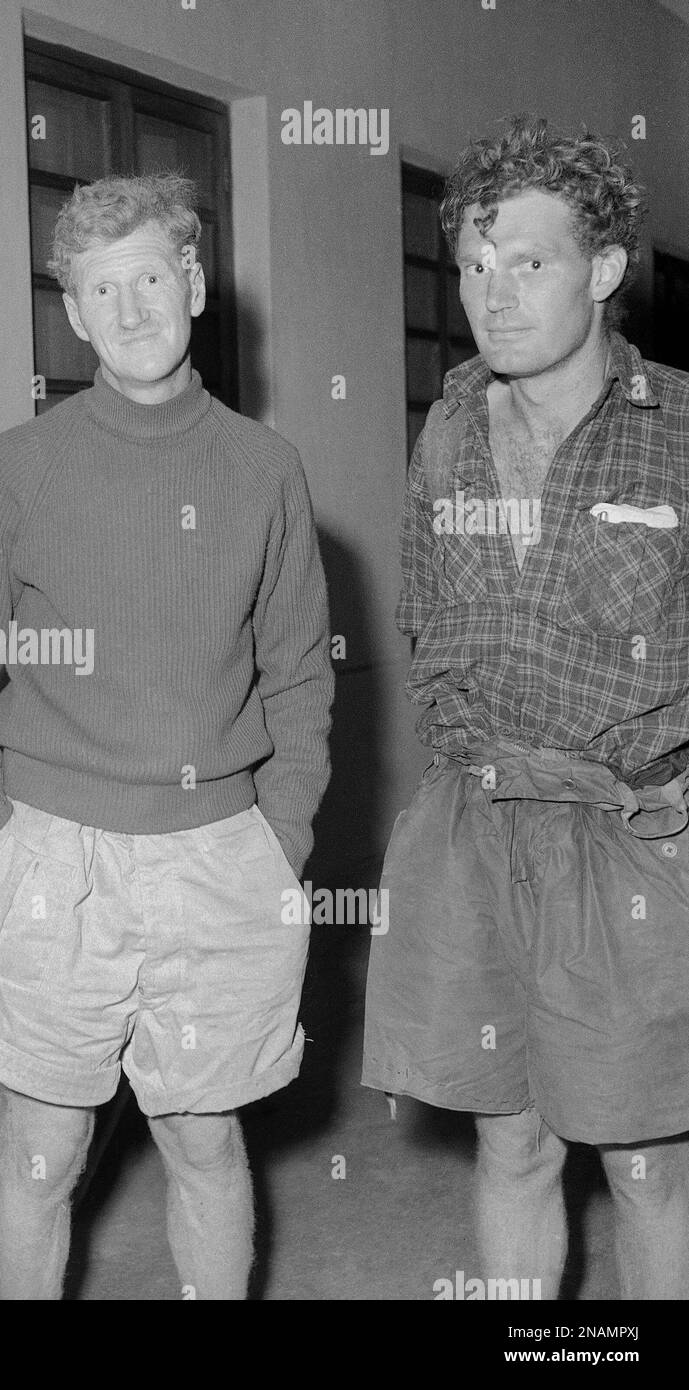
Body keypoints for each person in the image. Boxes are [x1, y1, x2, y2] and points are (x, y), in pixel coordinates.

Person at [0, 173, 333, 1299]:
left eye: (151, 275)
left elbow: (299, 674)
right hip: (51, 857)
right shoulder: (19, 463)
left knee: (204, 1142)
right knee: (40, 1149)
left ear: (192, 284)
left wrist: (276, 840)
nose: (133, 307)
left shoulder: (264, 469)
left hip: (221, 858)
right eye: (103, 288)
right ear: (76, 311)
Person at [364, 117, 689, 1299]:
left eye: (528, 263)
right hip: (475, 822)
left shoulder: (681, 433)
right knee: (510, 1139)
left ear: (603, 271)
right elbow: (422, 622)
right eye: (470, 265)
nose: (488, 297)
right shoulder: (446, 423)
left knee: (647, 1163)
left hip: (633, 839)